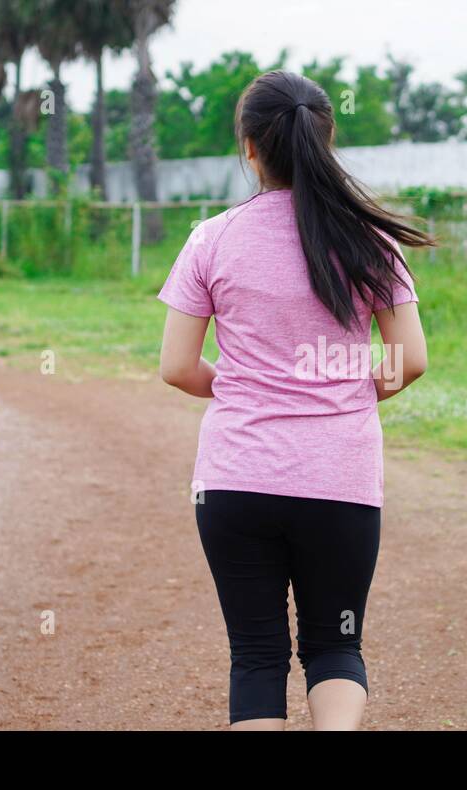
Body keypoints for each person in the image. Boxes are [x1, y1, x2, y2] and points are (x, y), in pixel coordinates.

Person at [157, 70, 432, 730]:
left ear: (248, 148)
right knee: (335, 645)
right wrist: (342, 393)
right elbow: (411, 360)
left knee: (255, 656)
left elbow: (176, 366)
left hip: (236, 480)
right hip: (340, 479)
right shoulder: (371, 240)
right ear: (325, 138)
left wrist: (248, 388)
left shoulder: (212, 238)